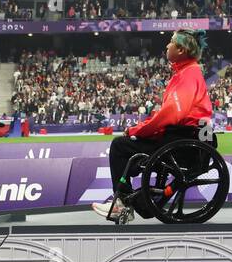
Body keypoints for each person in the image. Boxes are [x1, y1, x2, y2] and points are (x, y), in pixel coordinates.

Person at [92, 29, 215, 223]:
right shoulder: (188, 73)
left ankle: (122, 202)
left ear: (181, 50)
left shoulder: (187, 75)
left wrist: (138, 130)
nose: (167, 45)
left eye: (171, 42)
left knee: (120, 146)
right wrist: (143, 128)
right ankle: (131, 200)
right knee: (131, 143)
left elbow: (172, 114)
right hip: (190, 137)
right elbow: (168, 115)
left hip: (183, 141)